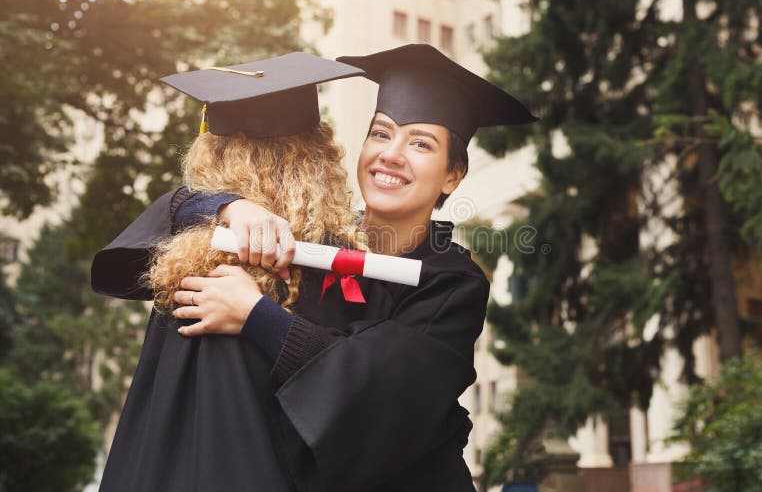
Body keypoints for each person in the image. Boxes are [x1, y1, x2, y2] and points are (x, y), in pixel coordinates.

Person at [169, 44, 539, 491]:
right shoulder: (314, 242)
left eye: (420, 143)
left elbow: (381, 391)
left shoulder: (451, 284)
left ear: (452, 175)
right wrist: (230, 206)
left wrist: (257, 317)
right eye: (381, 134)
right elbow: (162, 218)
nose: (392, 154)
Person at [91, 52, 366, 491]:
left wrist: (217, 205)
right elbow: (354, 384)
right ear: (318, 157)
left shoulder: (182, 261)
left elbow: (118, 264)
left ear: (211, 155)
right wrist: (221, 206)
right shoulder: (338, 264)